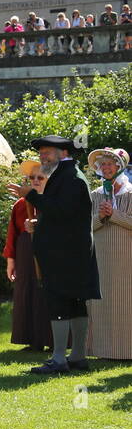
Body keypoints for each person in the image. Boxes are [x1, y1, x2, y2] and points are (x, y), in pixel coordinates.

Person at [8, 136, 102, 374]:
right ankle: (77, 356)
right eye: (41, 154)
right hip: (68, 252)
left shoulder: (70, 178)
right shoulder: (65, 176)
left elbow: (62, 211)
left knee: (61, 302)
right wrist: (39, 223)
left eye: (46, 153)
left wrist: (29, 194)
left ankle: (60, 358)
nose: (42, 158)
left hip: (65, 254)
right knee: (75, 301)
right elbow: (62, 215)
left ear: (63, 153)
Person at [86, 147, 132, 360]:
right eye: (102, 164)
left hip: (126, 257)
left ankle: (127, 351)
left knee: (126, 301)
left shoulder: (130, 193)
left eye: (109, 164)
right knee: (102, 302)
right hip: (100, 256)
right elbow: (84, 226)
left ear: (119, 166)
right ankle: (103, 350)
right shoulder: (95, 194)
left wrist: (114, 215)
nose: (105, 168)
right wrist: (100, 217)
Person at [4, 160, 53, 352]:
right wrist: (11, 260)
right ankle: (32, 339)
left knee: (47, 292)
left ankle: (52, 340)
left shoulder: (52, 202)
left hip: (49, 252)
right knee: (28, 291)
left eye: (40, 177)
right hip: (25, 253)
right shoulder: (20, 204)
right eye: (32, 177)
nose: (35, 180)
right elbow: (12, 234)